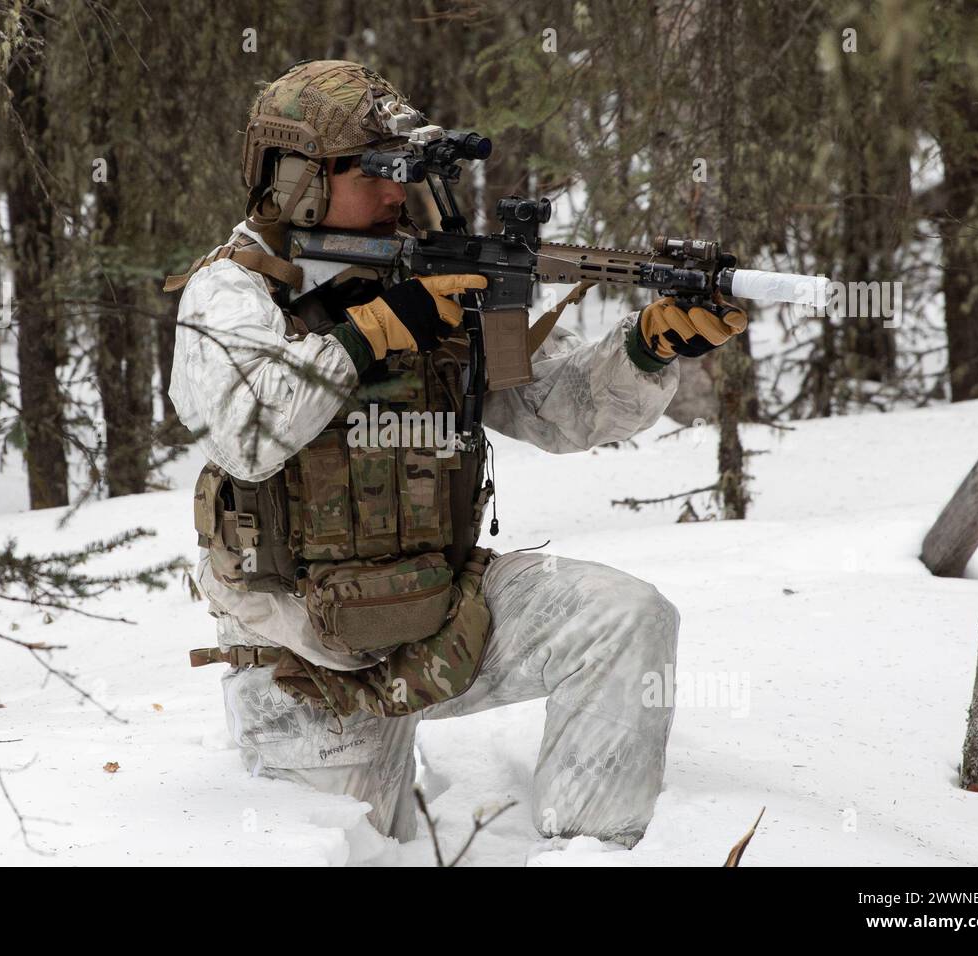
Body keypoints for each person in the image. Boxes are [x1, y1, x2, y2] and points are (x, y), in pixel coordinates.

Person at [167, 60, 747, 846]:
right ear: (298, 177)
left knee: (626, 619)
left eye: (403, 171)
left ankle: (594, 853)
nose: (397, 192)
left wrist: (647, 348)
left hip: (441, 612)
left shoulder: (427, 270)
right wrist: (372, 332)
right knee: (347, 852)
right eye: (375, 171)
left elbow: (550, 410)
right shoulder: (233, 293)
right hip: (305, 654)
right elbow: (247, 432)